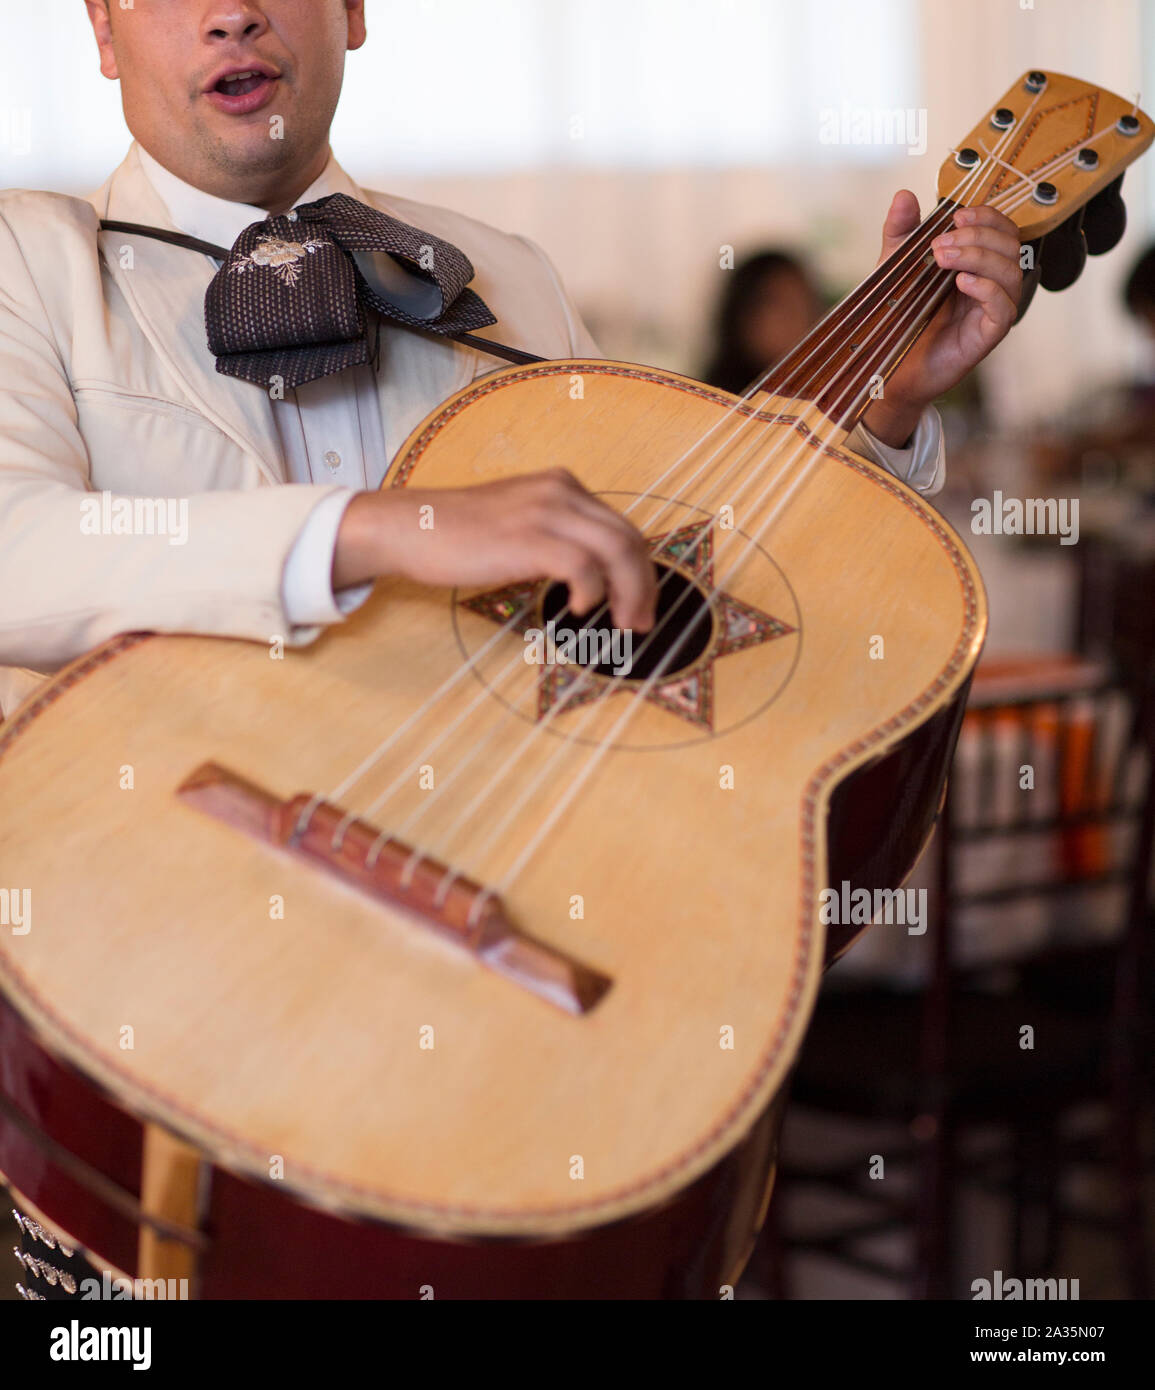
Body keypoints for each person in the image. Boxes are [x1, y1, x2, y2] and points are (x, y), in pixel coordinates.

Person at [2, 0, 1023, 1298]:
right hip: (150, 1009)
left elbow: (642, 618)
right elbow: (16, 547)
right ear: (100, 30)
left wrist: (872, 414)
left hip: (492, 1048)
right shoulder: (27, 262)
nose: (233, 10)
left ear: (353, 12)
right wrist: (389, 527)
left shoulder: (499, 275)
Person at [701, 248, 827, 397]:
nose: (800, 320)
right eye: (783, 306)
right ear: (743, 316)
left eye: (806, 305)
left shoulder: (824, 395)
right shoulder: (710, 404)